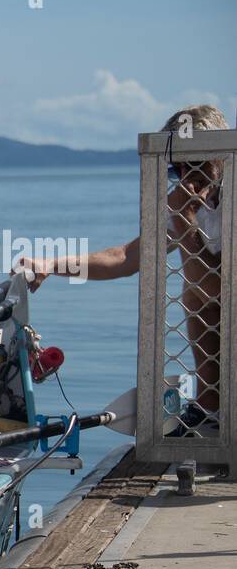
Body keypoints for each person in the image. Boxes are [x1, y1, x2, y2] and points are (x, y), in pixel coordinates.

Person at [18, 105, 226, 432]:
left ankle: (214, 403)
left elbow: (216, 287)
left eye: (196, 165)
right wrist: (50, 264)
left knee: (196, 288)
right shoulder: (184, 202)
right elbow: (126, 258)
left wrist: (184, 222)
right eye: (178, 169)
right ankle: (210, 405)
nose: (187, 178)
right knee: (194, 291)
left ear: (222, 159)